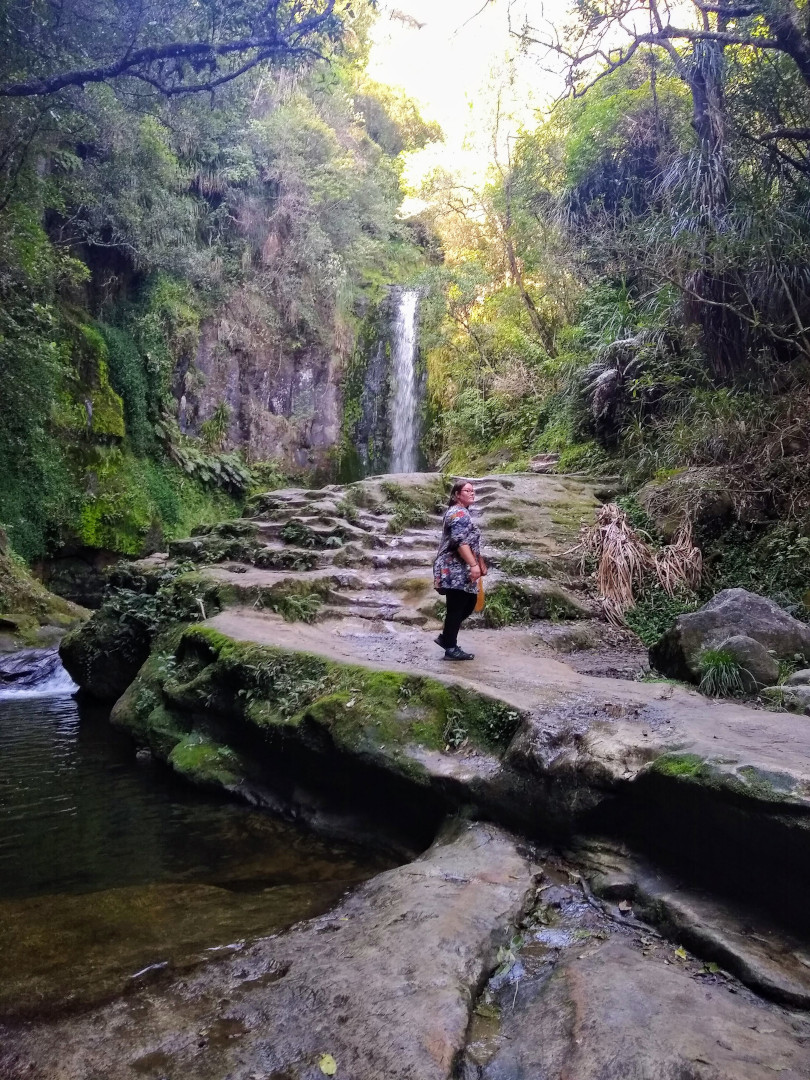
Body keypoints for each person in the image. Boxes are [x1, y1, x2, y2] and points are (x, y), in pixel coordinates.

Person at [432, 479, 487, 660]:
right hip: (453, 567)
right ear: (457, 495)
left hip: (460, 567)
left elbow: (470, 541)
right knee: (456, 607)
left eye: (473, 490)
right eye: (467, 490)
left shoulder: (463, 513)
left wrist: (479, 563)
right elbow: (460, 541)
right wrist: (473, 565)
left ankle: (446, 638)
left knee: (469, 602)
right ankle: (451, 648)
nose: (472, 493)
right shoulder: (458, 513)